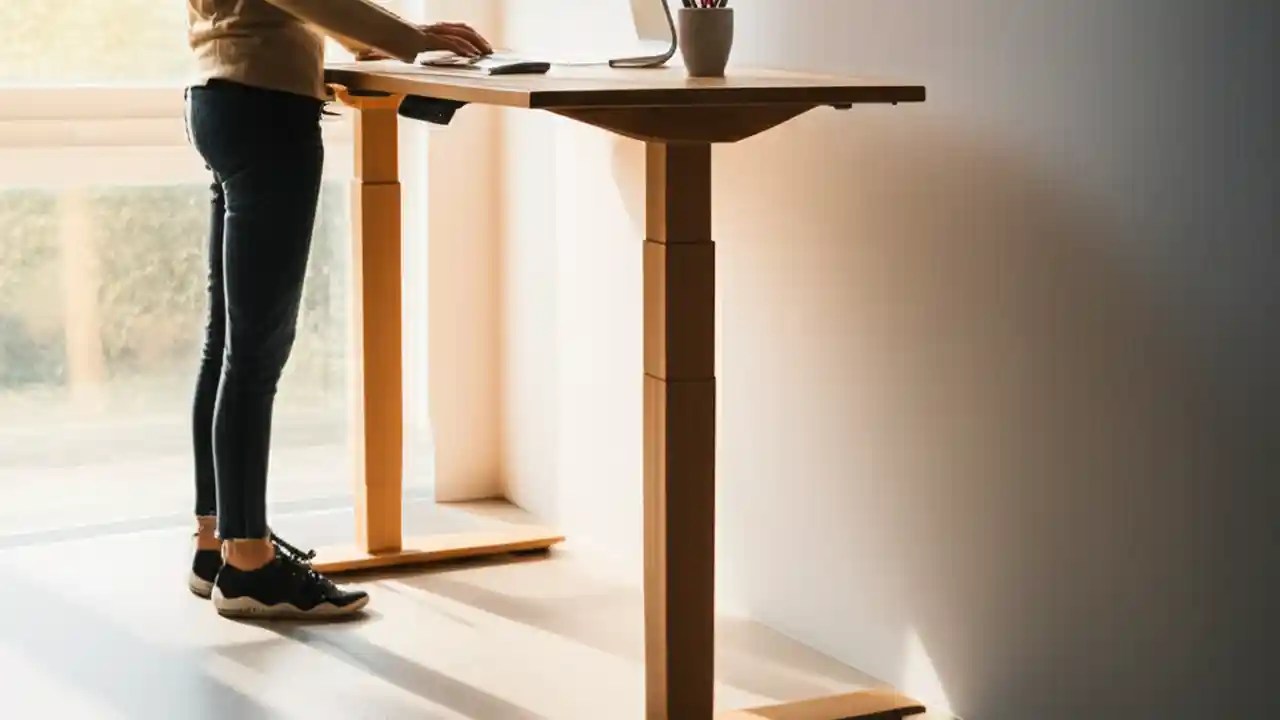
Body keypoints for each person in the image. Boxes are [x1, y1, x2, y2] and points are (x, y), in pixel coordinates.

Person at [184, 0, 491, 619]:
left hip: (219, 95)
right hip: (267, 110)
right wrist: (410, 39)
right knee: (255, 351)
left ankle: (217, 543)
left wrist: (379, 36)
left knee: (230, 343)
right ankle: (249, 566)